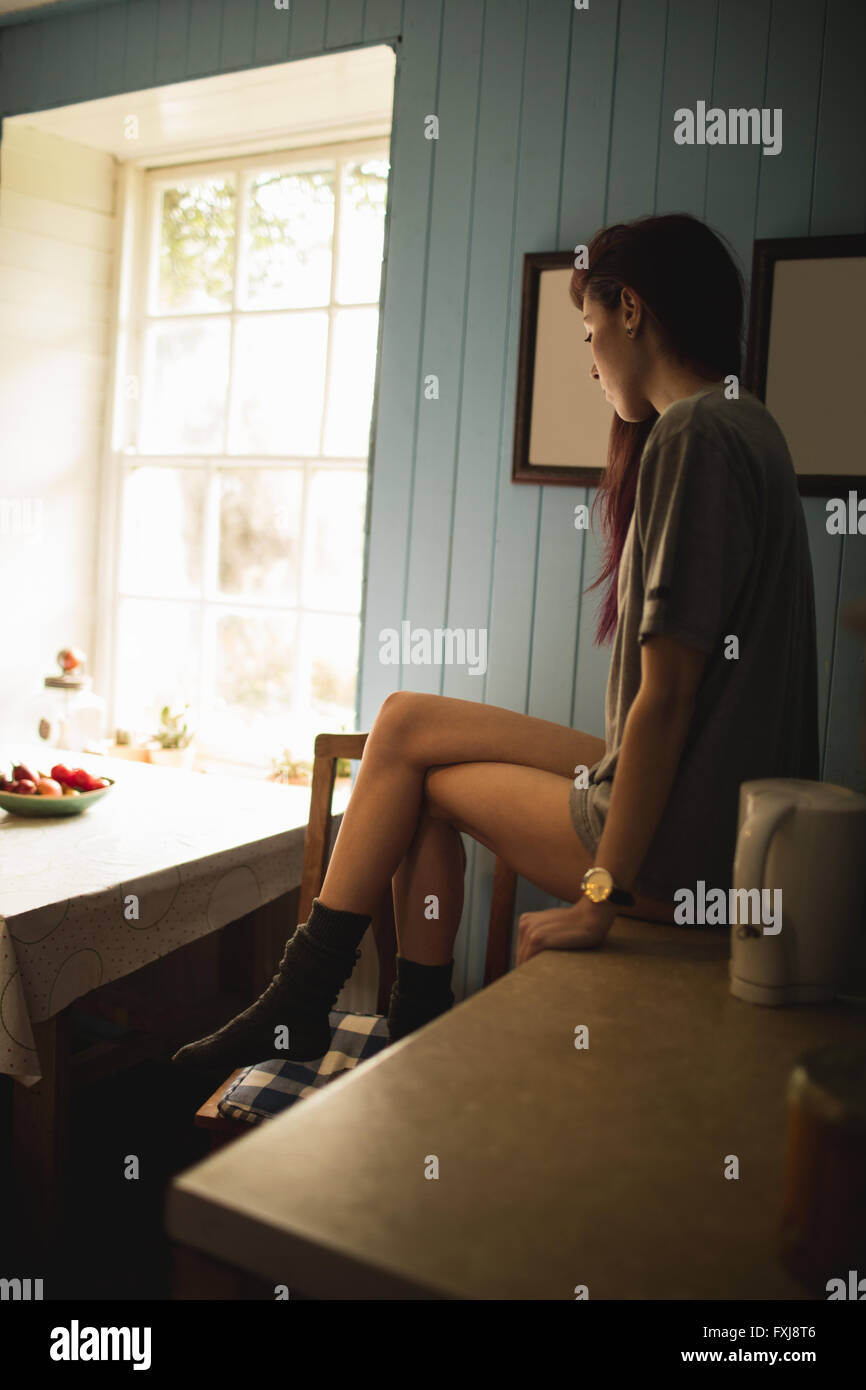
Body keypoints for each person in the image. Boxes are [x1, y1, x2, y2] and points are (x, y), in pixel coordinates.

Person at [172, 212, 819, 1074]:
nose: (590, 362)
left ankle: (315, 1007)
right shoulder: (752, 424)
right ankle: (369, 1024)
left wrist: (600, 897)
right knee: (404, 722)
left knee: (420, 769)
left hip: (683, 850)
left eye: (590, 331)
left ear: (631, 309)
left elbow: (669, 696)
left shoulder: (693, 434)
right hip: (726, 818)